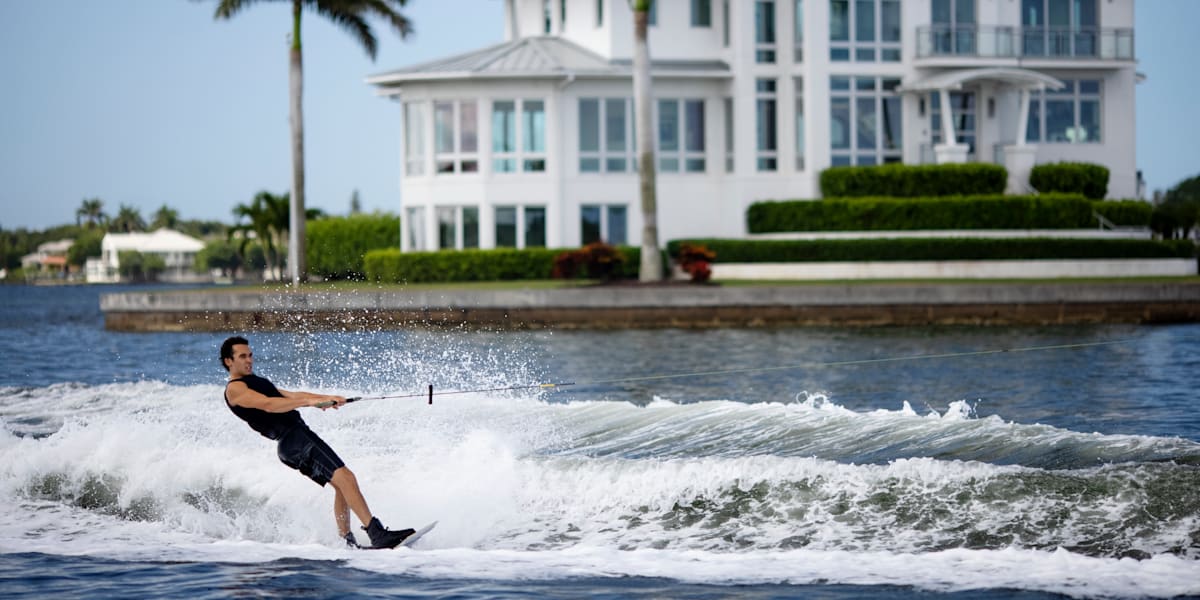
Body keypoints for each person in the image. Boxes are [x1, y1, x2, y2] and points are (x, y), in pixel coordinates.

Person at [219, 335, 413, 549]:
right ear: (229, 361)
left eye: (250, 355)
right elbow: (268, 404)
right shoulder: (235, 389)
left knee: (341, 485)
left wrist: (325, 397)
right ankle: (377, 535)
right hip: (293, 440)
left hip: (297, 439)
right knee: (347, 478)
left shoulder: (255, 381)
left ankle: (346, 541)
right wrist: (310, 402)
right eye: (242, 356)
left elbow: (289, 395)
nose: (249, 360)